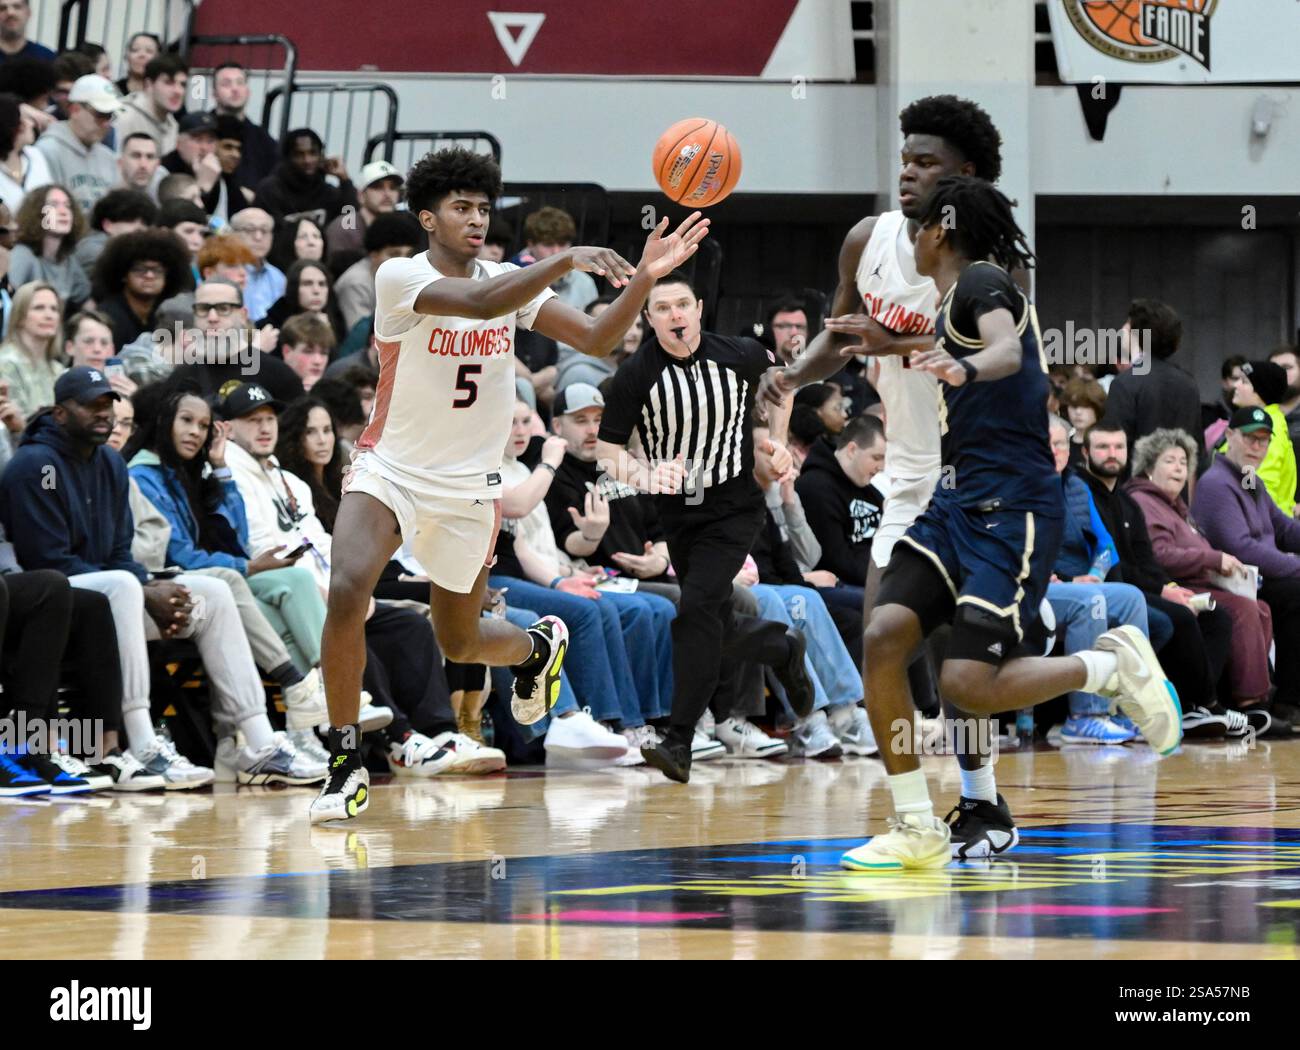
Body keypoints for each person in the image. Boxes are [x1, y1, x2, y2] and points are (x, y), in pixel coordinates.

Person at [314, 145, 707, 822]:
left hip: (469, 487)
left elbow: (594, 336)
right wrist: (563, 258)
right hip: (394, 468)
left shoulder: (511, 281)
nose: (475, 218)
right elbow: (478, 300)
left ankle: (537, 647)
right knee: (348, 586)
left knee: (459, 641)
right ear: (427, 218)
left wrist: (642, 277)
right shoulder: (402, 278)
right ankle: (345, 757)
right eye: (460, 208)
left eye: (483, 208)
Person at [805, 176, 1179, 870]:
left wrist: (966, 368)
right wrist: (880, 344)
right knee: (885, 634)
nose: (906, 236)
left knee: (965, 683)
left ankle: (1105, 666)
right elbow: (929, 343)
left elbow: (1005, 350)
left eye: (916, 225)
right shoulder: (950, 302)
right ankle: (916, 825)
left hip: (1014, 508)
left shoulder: (983, 282)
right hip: (955, 502)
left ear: (940, 232)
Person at [0, 365, 325, 787]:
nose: (104, 415)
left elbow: (120, 551)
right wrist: (141, 587)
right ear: (60, 413)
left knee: (211, 592)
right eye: (91, 406)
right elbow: (50, 561)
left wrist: (151, 585)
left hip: (111, 592)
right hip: (61, 597)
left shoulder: (109, 464)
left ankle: (258, 742)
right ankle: (141, 742)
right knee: (121, 586)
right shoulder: (34, 465)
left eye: (108, 405)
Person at [595, 268, 820, 782]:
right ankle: (783, 648)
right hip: (678, 511)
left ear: (698, 310)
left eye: (682, 305)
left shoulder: (739, 353)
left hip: (736, 503)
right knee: (706, 621)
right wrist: (648, 474)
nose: (674, 314)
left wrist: (777, 442)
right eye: (662, 308)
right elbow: (608, 453)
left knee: (694, 612)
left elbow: (783, 385)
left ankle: (679, 740)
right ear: (649, 320)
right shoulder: (635, 375)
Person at [223, 382, 488, 776]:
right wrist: (330, 591)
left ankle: (441, 732)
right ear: (228, 428)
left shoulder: (287, 480)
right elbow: (264, 548)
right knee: (352, 635)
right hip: (287, 592)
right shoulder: (231, 472)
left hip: (327, 585)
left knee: (409, 626)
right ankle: (399, 740)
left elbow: (320, 543)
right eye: (251, 421)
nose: (264, 428)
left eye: (268, 419)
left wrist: (353, 588)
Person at [1080, 421, 1238, 734]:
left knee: (1216, 616)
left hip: (1140, 586)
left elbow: (1148, 560)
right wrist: (1163, 591)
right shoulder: (1085, 495)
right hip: (1110, 588)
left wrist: (1169, 586)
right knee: (1177, 618)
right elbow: (1116, 565)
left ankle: (1194, 705)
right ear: (1085, 452)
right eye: (1102, 447)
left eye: (1118, 447)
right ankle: (1203, 704)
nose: (1112, 454)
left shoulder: (1126, 503)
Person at [1124, 426, 1280, 728]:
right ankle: (1248, 702)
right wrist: (1213, 558)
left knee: (1260, 608)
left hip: (1197, 582)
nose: (1179, 468)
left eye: (1184, 462)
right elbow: (1160, 555)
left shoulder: (1176, 507)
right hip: (1174, 585)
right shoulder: (1145, 502)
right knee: (1240, 609)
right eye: (1170, 461)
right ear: (1149, 466)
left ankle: (1246, 696)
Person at [1193, 406, 1300, 725]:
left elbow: (1283, 529)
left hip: (1262, 575)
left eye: (1264, 441)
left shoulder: (1251, 481)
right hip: (1236, 578)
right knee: (1296, 593)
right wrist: (1295, 564)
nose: (1257, 447)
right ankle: (1288, 700)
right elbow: (1240, 547)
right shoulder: (1216, 483)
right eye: (1250, 439)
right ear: (1229, 436)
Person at [1101, 299, 1204, 477]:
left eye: (1126, 329)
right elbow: (1197, 450)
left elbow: (1115, 447)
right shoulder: (1189, 384)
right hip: (1177, 491)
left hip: (1134, 493)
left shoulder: (1124, 384)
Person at [171, 278, 303, 402]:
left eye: (224, 308)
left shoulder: (278, 375)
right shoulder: (181, 378)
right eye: (203, 309)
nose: (212, 317)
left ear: (243, 315)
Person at [795, 412, 885, 587]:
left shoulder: (866, 487)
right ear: (852, 450)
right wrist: (887, 579)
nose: (882, 467)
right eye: (876, 458)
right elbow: (835, 560)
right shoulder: (815, 488)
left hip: (876, 577)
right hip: (842, 584)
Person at [1209, 358, 1296, 516]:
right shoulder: (1257, 423)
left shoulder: (1267, 431)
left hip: (1256, 530)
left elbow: (1260, 487)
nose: (1236, 385)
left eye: (1245, 381)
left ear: (1260, 392)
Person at [91, 226, 192, 349]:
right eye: (140, 269)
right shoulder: (107, 315)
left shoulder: (167, 314)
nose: (149, 275)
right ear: (123, 274)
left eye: (157, 270)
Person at [334, 211, 422, 330]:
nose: (403, 261)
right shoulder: (356, 283)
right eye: (394, 254)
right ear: (374, 255)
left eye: (408, 254)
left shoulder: (408, 277)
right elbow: (360, 334)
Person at [252, 128, 356, 226]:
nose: (307, 160)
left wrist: (344, 179)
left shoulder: (327, 193)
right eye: (299, 155)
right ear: (287, 158)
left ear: (321, 156)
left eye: (313, 153)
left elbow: (349, 222)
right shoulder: (269, 190)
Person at [9, 182, 90, 309]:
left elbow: (88, 303)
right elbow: (5, 299)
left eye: (68, 206)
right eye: (53, 205)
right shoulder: (22, 254)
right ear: (36, 213)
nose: (63, 212)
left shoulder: (68, 260)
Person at [510, 206, 599, 312]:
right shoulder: (511, 274)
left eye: (562, 244)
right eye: (548, 244)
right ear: (530, 244)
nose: (556, 252)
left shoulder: (584, 283)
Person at [0, 280, 62, 421]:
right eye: (39, 308)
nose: (49, 315)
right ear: (20, 317)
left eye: (54, 309)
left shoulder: (58, 369)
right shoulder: (5, 363)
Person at [211, 63, 277, 192]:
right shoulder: (203, 132)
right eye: (226, 84)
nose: (235, 89)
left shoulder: (262, 138)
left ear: (248, 91)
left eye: (240, 83)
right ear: (214, 93)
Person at [324, 159, 403, 267]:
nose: (387, 194)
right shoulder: (345, 228)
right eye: (378, 187)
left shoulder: (404, 227)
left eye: (393, 188)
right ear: (361, 196)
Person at [74, 186, 156, 283]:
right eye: (130, 219)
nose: (139, 227)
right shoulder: (94, 251)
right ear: (108, 225)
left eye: (145, 222)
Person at [113, 53, 187, 157]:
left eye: (183, 85)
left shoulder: (173, 126)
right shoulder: (124, 118)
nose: (178, 91)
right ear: (149, 85)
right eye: (169, 82)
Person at [258, 258, 347, 341]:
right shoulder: (265, 327)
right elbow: (247, 358)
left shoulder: (338, 324)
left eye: (322, 284)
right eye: (307, 284)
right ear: (294, 288)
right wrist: (259, 348)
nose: (316, 291)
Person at [227, 207, 284, 322]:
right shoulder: (225, 272)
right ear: (232, 235)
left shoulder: (278, 277)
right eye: (249, 230)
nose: (258, 237)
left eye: (264, 231)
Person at [64, 308, 134, 397]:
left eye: (104, 343)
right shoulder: (54, 384)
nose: (97, 349)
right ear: (69, 348)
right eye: (88, 341)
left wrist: (137, 399)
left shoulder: (126, 390)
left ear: (112, 350)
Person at [0, 89, 50, 213]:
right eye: (23, 120)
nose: (31, 124)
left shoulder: (36, 155)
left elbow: (51, 202)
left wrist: (52, 229)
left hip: (43, 231)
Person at [278, 312, 334, 391]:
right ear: (287, 352)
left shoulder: (335, 392)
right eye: (308, 352)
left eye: (324, 353)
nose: (318, 361)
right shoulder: (270, 388)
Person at [115, 130, 160, 198]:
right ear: (120, 162)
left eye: (150, 157)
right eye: (136, 156)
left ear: (157, 165)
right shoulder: (104, 203)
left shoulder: (161, 203)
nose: (143, 165)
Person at [115, 33, 159, 98]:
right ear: (127, 56)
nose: (142, 54)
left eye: (149, 51)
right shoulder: (114, 90)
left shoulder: (164, 93)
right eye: (135, 50)